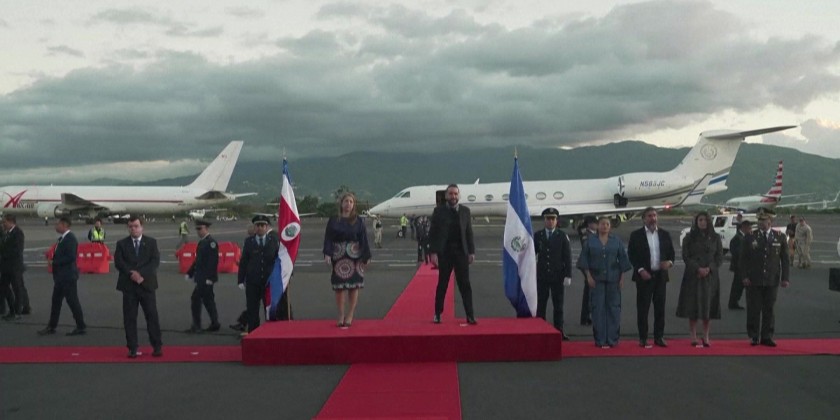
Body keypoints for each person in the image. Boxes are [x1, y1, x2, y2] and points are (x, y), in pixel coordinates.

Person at [577, 216, 631, 348]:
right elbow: (584, 261)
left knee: (613, 309)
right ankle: (600, 339)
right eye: (602, 224)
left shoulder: (616, 241)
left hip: (613, 279)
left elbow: (623, 260)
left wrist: (621, 278)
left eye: (607, 224)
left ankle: (612, 339)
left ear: (610, 226)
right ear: (597, 226)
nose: (605, 226)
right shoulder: (590, 241)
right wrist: (588, 277)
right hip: (596, 280)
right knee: (598, 309)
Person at [113, 216, 162, 358]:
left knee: (152, 316)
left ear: (142, 227)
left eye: (135, 226)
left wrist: (141, 275)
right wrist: (132, 274)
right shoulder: (122, 244)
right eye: (130, 226)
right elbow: (119, 262)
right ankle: (132, 347)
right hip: (129, 286)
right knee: (129, 318)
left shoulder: (151, 242)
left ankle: (157, 345)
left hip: (146, 285)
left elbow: (155, 262)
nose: (133, 229)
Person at [740, 209, 790, 347]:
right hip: (754, 279)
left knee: (769, 309)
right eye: (759, 220)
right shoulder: (750, 236)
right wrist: (744, 276)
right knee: (754, 309)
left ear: (770, 222)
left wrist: (785, 278)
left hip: (771, 279)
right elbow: (743, 259)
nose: (761, 223)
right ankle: (754, 335)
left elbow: (785, 259)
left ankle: (767, 336)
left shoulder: (779, 237)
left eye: (764, 220)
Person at [627, 207, 675, 348]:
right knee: (643, 309)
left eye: (654, 215)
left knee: (660, 308)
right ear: (643, 219)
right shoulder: (636, 235)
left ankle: (659, 337)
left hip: (660, 276)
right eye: (649, 216)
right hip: (644, 277)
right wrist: (640, 270)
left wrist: (669, 263)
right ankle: (643, 338)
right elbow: (631, 255)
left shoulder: (665, 234)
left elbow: (671, 254)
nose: (653, 218)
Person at [429, 184, 477, 325]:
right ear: (446, 196)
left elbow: (469, 232)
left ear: (459, 195)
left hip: (461, 253)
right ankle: (437, 313)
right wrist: (433, 252)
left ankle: (470, 315)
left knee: (465, 285)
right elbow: (433, 233)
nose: (453, 196)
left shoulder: (465, 211)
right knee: (442, 284)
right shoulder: (438, 212)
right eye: (450, 194)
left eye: (455, 194)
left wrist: (471, 251)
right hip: (445, 253)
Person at [324, 192, 372, 328]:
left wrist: (366, 256)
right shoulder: (334, 220)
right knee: (339, 287)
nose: (348, 204)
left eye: (351, 202)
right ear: (341, 203)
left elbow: (363, 239)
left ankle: (350, 314)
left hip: (355, 255)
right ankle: (340, 314)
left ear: (354, 205)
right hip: (338, 255)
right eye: (346, 201)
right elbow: (328, 238)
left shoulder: (358, 220)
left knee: (354, 286)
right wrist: (327, 253)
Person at [676, 211, 723, 348]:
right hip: (693, 275)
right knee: (693, 305)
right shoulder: (689, 238)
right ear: (696, 222)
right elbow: (686, 256)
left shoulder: (715, 238)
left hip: (710, 276)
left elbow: (719, 257)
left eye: (705, 220)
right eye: (700, 220)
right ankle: (693, 335)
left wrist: (709, 269)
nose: (703, 222)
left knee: (708, 305)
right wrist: (698, 269)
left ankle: (706, 335)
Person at [38, 217, 86, 336]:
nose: (56, 226)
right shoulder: (63, 239)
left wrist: (55, 262)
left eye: (57, 224)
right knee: (56, 301)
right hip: (61, 277)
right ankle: (52, 326)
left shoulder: (70, 239)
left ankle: (81, 326)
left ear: (64, 225)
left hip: (67, 276)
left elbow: (70, 257)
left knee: (72, 301)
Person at [238, 216, 283, 336]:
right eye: (257, 225)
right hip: (253, 282)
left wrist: (287, 275)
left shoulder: (273, 240)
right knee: (252, 311)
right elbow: (244, 261)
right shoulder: (249, 242)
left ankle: (271, 335)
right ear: (254, 227)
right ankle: (254, 335)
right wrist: (240, 280)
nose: (260, 228)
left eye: (262, 225)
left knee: (269, 310)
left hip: (268, 282)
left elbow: (279, 259)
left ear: (267, 227)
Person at [533, 208, 572, 339]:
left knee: (558, 305)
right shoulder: (538, 235)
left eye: (552, 219)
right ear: (544, 220)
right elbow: (532, 254)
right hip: (542, 275)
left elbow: (567, 257)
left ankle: (559, 331)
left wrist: (568, 275)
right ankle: (540, 330)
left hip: (557, 276)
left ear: (556, 220)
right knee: (541, 304)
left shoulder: (562, 236)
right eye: (548, 219)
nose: (550, 222)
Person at [185, 220, 220, 333]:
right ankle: (214, 323)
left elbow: (212, 262)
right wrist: (190, 272)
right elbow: (198, 261)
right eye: (197, 229)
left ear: (206, 228)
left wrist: (210, 278)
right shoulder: (203, 242)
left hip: (205, 278)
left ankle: (197, 325)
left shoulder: (211, 243)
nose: (198, 231)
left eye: (200, 229)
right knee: (208, 300)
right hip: (202, 277)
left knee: (196, 299)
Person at [1, 214, 30, 320]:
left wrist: (4, 254)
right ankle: (13, 309)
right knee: (4, 287)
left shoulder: (17, 233)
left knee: (17, 288)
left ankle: (17, 311)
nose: (3, 224)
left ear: (10, 222)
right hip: (6, 267)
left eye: (4, 222)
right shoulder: (7, 233)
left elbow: (17, 250)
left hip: (14, 266)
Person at [230, 223, 257, 332]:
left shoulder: (256, 241)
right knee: (252, 304)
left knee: (253, 304)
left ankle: (247, 325)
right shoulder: (249, 241)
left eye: (250, 228)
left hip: (257, 277)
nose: (247, 230)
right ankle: (244, 323)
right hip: (250, 277)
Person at [727, 220, 753, 310]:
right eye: (749, 228)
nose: (750, 230)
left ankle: (734, 302)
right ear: (744, 227)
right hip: (739, 266)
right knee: (738, 286)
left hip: (742, 266)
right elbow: (736, 252)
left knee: (739, 286)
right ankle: (733, 302)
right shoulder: (738, 238)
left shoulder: (743, 237)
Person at [578, 215, 598, 326]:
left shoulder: (595, 233)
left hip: (594, 263)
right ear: (590, 224)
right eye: (594, 223)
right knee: (589, 291)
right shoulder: (585, 232)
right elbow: (587, 245)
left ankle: (589, 315)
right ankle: (585, 316)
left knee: (592, 291)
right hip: (588, 264)